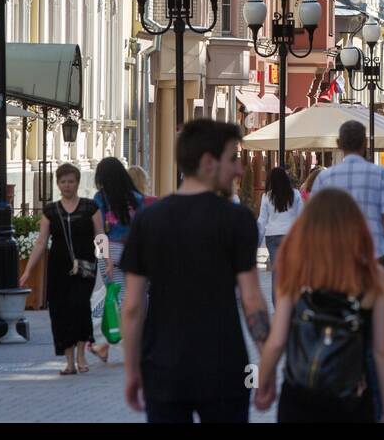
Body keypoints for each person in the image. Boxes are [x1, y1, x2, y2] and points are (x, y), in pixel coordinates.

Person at [121, 119, 268, 423]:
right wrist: (266, 364)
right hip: (224, 367)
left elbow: (133, 306)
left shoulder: (147, 221)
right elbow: (252, 300)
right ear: (207, 162)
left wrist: (132, 369)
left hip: (162, 367)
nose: (240, 170)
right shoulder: (237, 220)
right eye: (233, 159)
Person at [255, 187, 384, 422]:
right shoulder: (373, 276)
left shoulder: (294, 271)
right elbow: (382, 351)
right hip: (351, 398)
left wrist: (263, 383)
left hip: (299, 397)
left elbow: (277, 340)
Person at [311, 121, 384, 297]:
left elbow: (313, 228)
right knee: (376, 322)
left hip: (336, 267)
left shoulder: (324, 178)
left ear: (338, 144)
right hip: (374, 265)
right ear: (365, 143)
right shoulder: (381, 175)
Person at [21, 163, 104, 374]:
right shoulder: (51, 211)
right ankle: (69, 362)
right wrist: (28, 270)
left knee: (79, 307)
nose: (67, 185)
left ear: (77, 183)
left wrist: (106, 261)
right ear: (58, 184)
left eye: (71, 181)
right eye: (63, 182)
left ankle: (81, 356)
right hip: (58, 268)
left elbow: (100, 235)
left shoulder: (90, 207)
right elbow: (41, 242)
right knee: (60, 312)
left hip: (85, 267)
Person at [87, 158, 152, 363]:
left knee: (118, 300)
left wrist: (104, 259)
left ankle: (126, 347)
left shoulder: (100, 198)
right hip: (134, 251)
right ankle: (108, 346)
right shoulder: (137, 198)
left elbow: (99, 232)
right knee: (129, 300)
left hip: (111, 251)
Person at [256, 166, 302, 302]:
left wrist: (256, 241)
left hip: (272, 236)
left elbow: (262, 221)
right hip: (291, 236)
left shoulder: (266, 197)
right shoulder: (296, 194)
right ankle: (292, 304)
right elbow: (302, 217)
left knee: (276, 272)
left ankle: (277, 304)